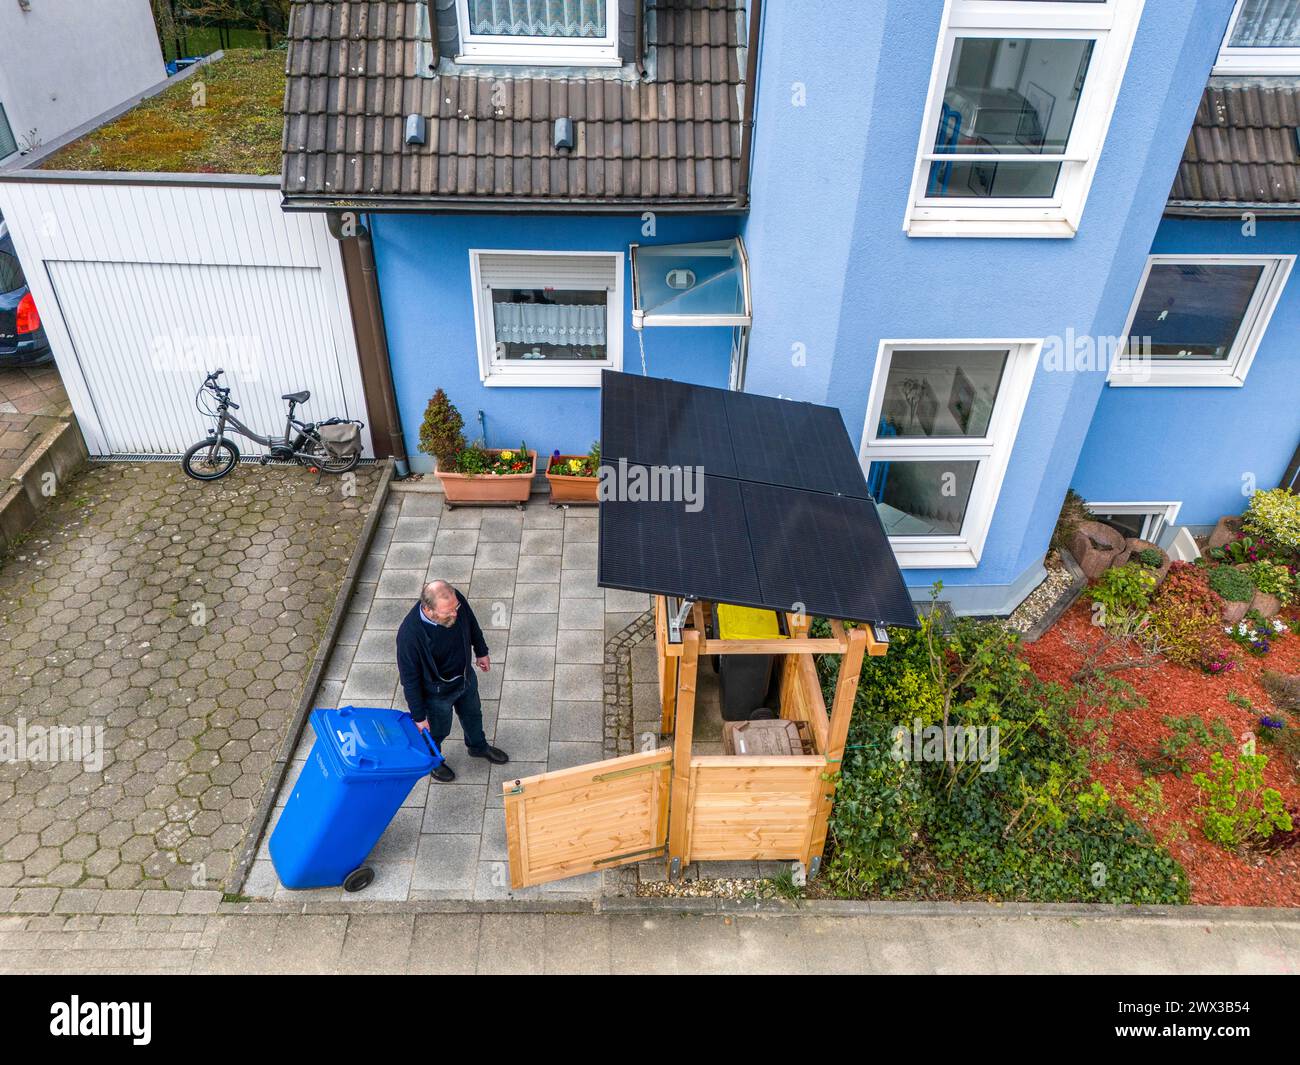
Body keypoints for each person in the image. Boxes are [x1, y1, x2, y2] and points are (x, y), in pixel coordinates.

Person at [396, 580, 508, 782]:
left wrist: (481, 651)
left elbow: (471, 624)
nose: (455, 614)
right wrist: (419, 717)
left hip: (465, 678)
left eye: (455, 608)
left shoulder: (455, 601)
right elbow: (410, 680)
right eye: (448, 612)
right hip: (438, 693)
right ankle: (434, 761)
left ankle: (478, 747)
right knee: (437, 731)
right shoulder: (409, 636)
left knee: (473, 715)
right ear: (428, 610)